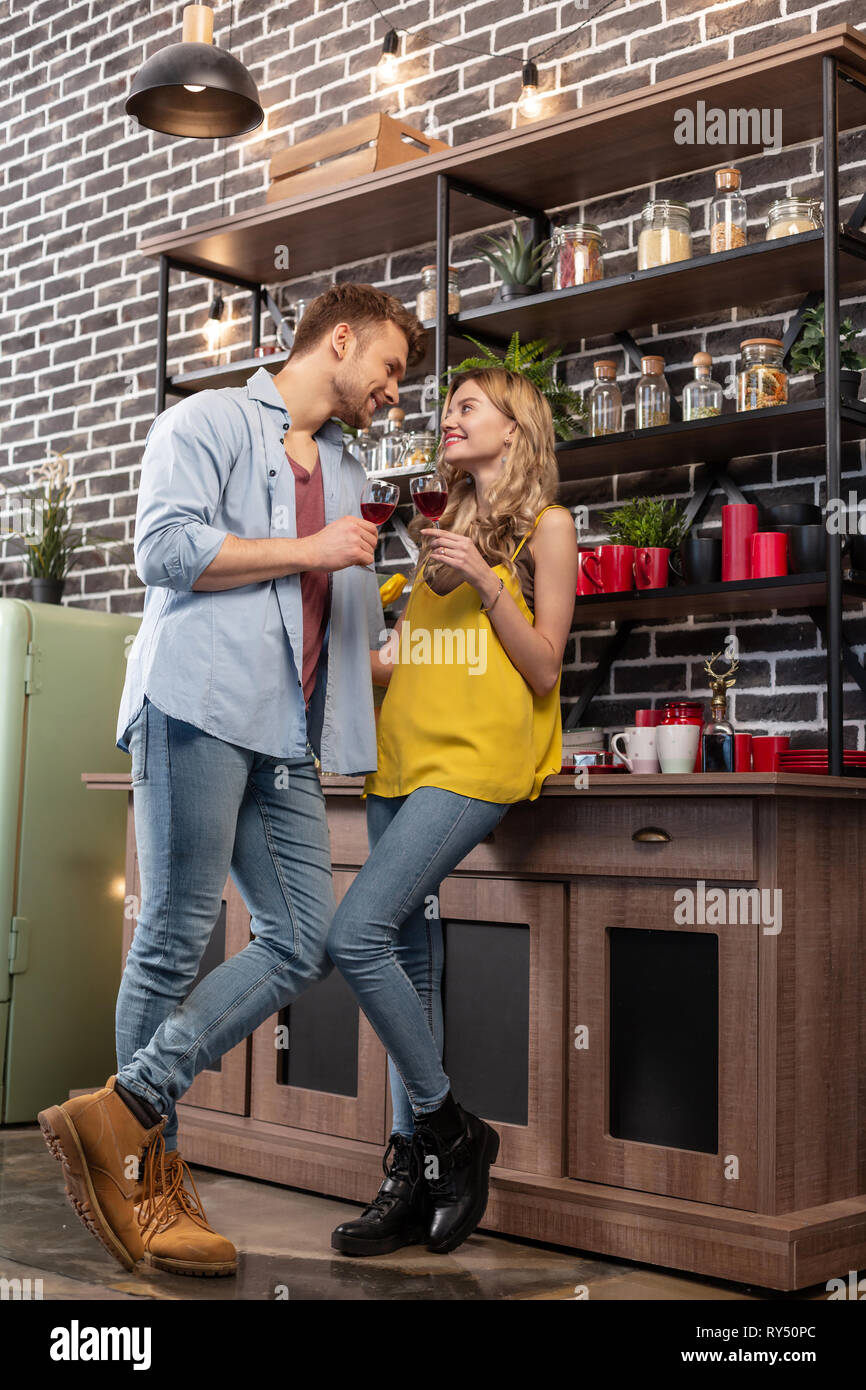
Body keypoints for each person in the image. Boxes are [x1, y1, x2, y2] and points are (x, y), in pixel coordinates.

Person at [37, 283, 426, 1277]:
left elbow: (333, 617)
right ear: (339, 338)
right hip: (198, 705)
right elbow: (163, 550)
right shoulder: (203, 419)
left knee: (303, 937)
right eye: (386, 367)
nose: (392, 392)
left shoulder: (344, 467)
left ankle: (120, 1111)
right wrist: (313, 549)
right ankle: (148, 1187)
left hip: (287, 734)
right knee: (171, 935)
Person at [327, 367, 578, 1257]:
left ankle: (449, 1131)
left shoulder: (547, 528)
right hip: (403, 758)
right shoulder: (443, 527)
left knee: (354, 935)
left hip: (477, 762)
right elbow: (411, 659)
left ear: (515, 428)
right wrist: (331, 648)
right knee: (409, 963)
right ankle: (414, 1174)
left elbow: (544, 665)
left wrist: (482, 579)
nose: (447, 421)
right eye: (445, 411)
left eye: (466, 408)